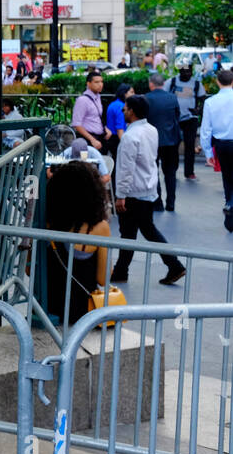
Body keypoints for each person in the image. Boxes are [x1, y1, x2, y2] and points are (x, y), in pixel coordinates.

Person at [111, 96, 185, 285]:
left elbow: (125, 169)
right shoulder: (151, 130)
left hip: (133, 192)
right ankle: (122, 270)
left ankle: (173, 265)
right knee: (136, 231)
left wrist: (120, 195)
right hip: (147, 188)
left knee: (134, 232)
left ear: (132, 111)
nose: (123, 111)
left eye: (125, 108)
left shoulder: (130, 136)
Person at [43, 162, 112, 326]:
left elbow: (30, 270)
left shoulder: (46, 224)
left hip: (48, 309)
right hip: (83, 312)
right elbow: (103, 279)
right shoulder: (100, 228)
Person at [143, 71, 181, 212]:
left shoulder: (146, 98)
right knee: (170, 172)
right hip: (170, 139)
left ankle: (157, 202)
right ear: (163, 84)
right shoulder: (172, 97)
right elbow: (177, 116)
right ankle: (171, 203)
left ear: (151, 84)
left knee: (153, 171)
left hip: (151, 140)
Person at [200, 69, 233, 207]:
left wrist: (208, 152)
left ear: (217, 82)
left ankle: (229, 204)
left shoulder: (210, 102)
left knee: (227, 176)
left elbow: (206, 129)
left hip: (222, 145)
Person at [168, 65, 207, 180]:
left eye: (189, 72)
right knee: (173, 145)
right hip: (174, 118)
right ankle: (172, 170)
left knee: (190, 146)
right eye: (184, 72)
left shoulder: (196, 84)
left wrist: (198, 110)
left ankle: (189, 172)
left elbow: (203, 99)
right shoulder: (172, 82)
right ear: (180, 71)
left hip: (190, 119)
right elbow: (164, 94)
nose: (187, 74)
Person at [71, 70, 111, 153]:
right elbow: (77, 124)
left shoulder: (98, 97)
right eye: (96, 82)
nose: (100, 84)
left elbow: (95, 118)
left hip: (100, 137)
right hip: (89, 139)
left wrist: (105, 129)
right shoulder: (82, 100)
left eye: (101, 82)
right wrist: (92, 140)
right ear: (88, 84)